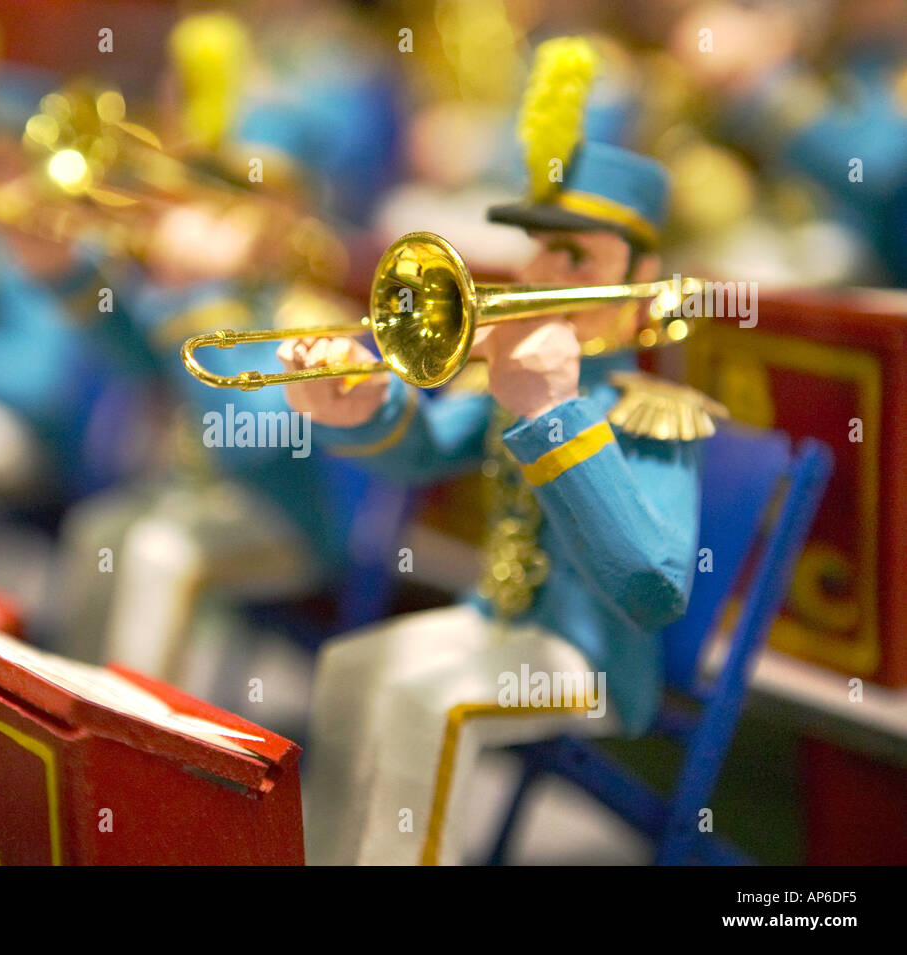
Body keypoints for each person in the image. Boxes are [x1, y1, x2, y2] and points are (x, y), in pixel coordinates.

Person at [280, 37, 721, 865]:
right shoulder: (507, 375)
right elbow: (423, 452)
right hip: (498, 624)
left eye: (578, 257)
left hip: (592, 659)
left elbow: (653, 587)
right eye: (542, 249)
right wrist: (363, 404)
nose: (546, 273)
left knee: (426, 704)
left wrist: (553, 411)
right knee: (349, 666)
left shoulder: (655, 413)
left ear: (644, 282)